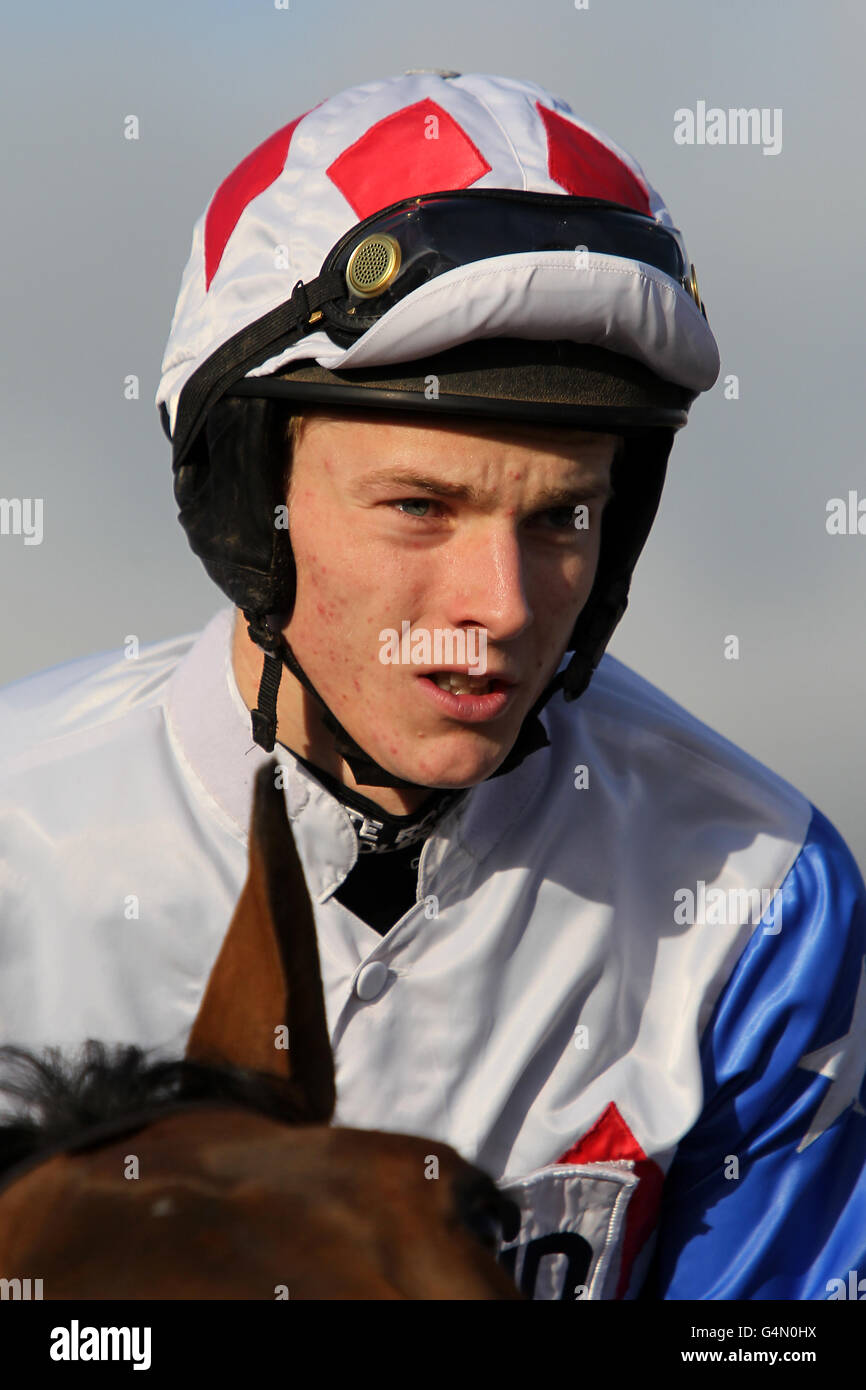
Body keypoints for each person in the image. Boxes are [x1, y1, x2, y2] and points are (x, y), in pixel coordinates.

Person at [1, 70, 864, 1301]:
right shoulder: (14, 837)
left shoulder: (759, 889)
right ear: (255, 503)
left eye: (562, 515)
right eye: (420, 506)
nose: (502, 607)